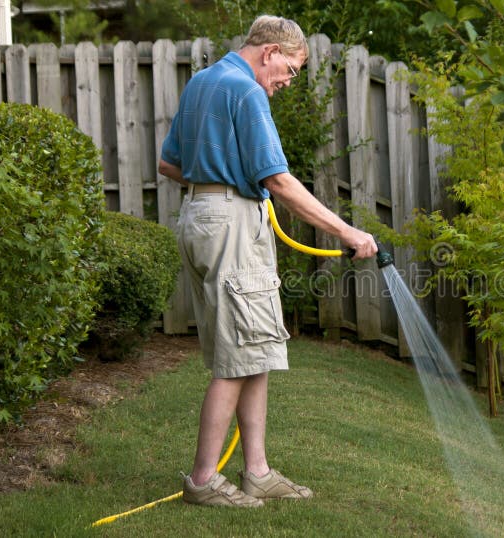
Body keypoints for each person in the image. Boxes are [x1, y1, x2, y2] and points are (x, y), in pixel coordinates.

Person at [157, 15, 377, 507]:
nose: (285, 84)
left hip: (198, 215)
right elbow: (277, 180)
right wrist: (347, 231)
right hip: (232, 223)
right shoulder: (247, 91)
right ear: (272, 51)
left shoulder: (202, 82)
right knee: (236, 359)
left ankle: (256, 471)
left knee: (251, 347)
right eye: (291, 71)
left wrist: (213, 185)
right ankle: (203, 480)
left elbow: (168, 163)